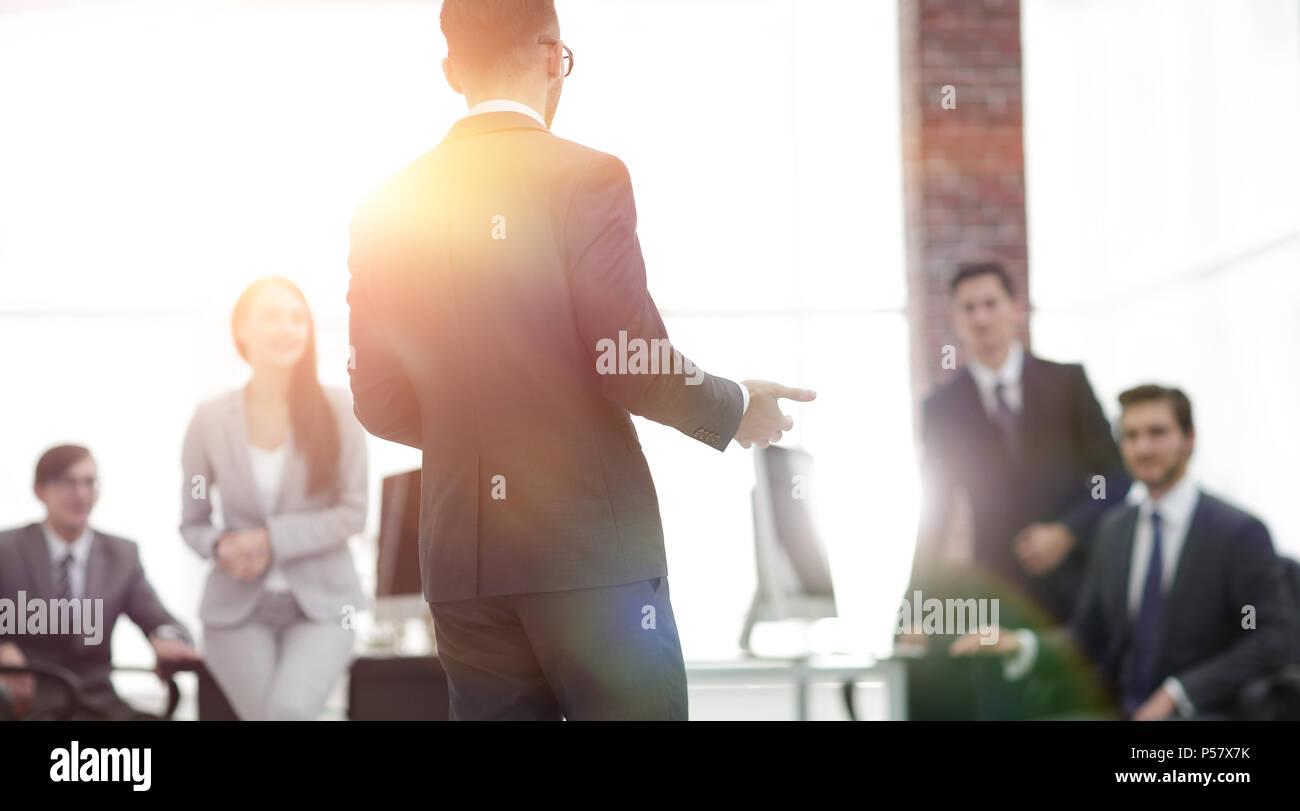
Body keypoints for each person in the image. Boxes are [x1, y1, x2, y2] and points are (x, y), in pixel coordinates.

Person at [346, 0, 814, 720]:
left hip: (465, 567)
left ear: (449, 70)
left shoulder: (384, 206)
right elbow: (630, 360)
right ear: (549, 54)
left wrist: (480, 438)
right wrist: (737, 406)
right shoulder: (587, 177)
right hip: (591, 557)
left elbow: (378, 399)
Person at [952, 384, 1295, 720]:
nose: (1143, 448)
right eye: (1130, 436)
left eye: (1157, 433)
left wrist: (1179, 692)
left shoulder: (1238, 532)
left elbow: (1272, 637)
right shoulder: (1114, 531)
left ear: (1189, 440)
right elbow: (1088, 634)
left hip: (1204, 711)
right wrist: (1022, 644)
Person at [902, 263, 1130, 719]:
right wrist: (915, 608)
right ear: (956, 320)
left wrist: (1067, 533)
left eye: (990, 304)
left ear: (1014, 309)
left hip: (1075, 587)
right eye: (969, 308)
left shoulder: (1067, 384)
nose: (981, 317)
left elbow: (1116, 479)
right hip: (997, 595)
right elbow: (938, 512)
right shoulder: (942, 407)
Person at [180, 276, 368, 721]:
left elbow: (353, 511)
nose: (287, 328)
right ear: (242, 328)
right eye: (271, 315)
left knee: (289, 711)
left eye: (297, 317)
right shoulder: (209, 420)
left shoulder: (342, 410)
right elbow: (193, 517)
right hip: (235, 612)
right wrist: (218, 545)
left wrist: (269, 538)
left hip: (325, 608)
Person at [0, 445, 199, 720]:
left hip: (99, 703)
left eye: (89, 482)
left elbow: (161, 619)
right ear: (40, 490)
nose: (81, 494)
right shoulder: (7, 550)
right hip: (27, 703)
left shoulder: (121, 556)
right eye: (68, 483)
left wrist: (166, 640)